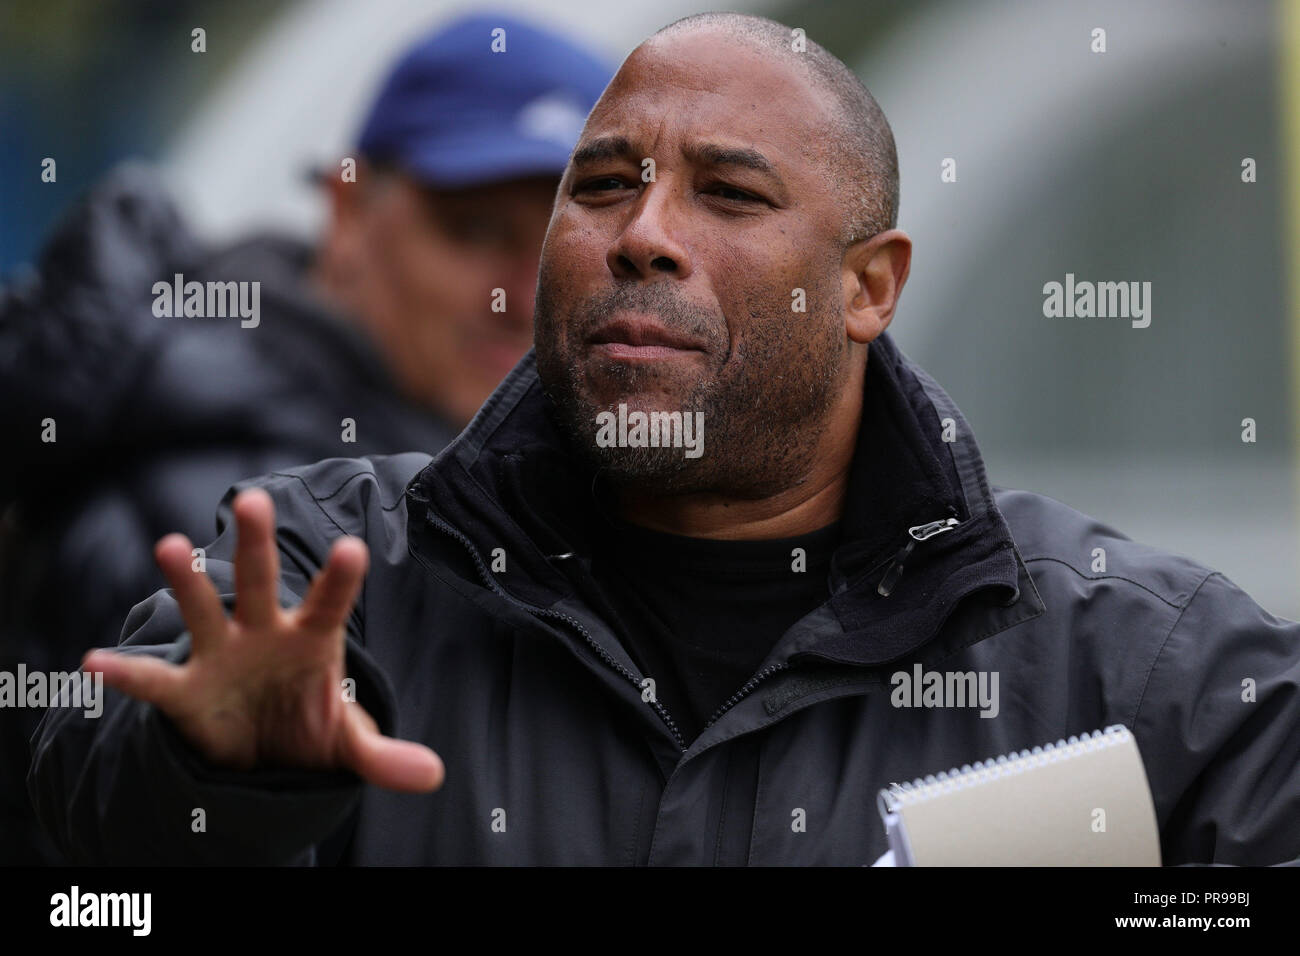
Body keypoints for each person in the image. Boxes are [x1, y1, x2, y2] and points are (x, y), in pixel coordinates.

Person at [29, 12, 1300, 866]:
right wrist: (212, 768)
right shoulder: (335, 571)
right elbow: (86, 844)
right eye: (601, 183)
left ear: (869, 285)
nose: (639, 231)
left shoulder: (1139, 668)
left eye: (730, 192)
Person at [1, 14, 610, 863]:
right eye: (474, 231)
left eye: (564, 251)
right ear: (350, 210)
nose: (517, 296)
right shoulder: (219, 493)